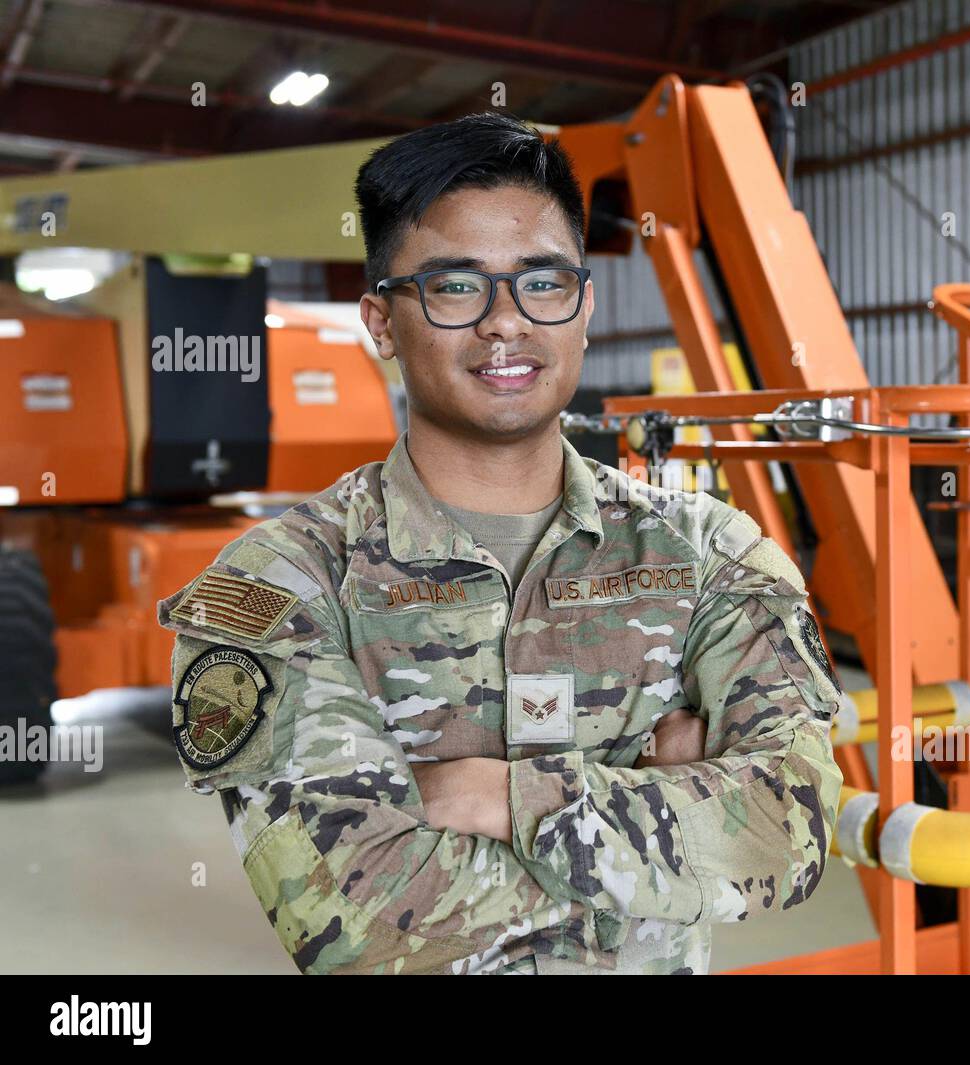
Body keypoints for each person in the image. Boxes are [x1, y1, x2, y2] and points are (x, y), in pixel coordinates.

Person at [157, 112, 844, 975]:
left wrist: (508, 798)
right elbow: (369, 921)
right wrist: (661, 809)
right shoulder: (285, 584)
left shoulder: (709, 553)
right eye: (454, 286)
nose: (506, 323)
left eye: (543, 283)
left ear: (585, 307)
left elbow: (792, 830)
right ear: (380, 320)